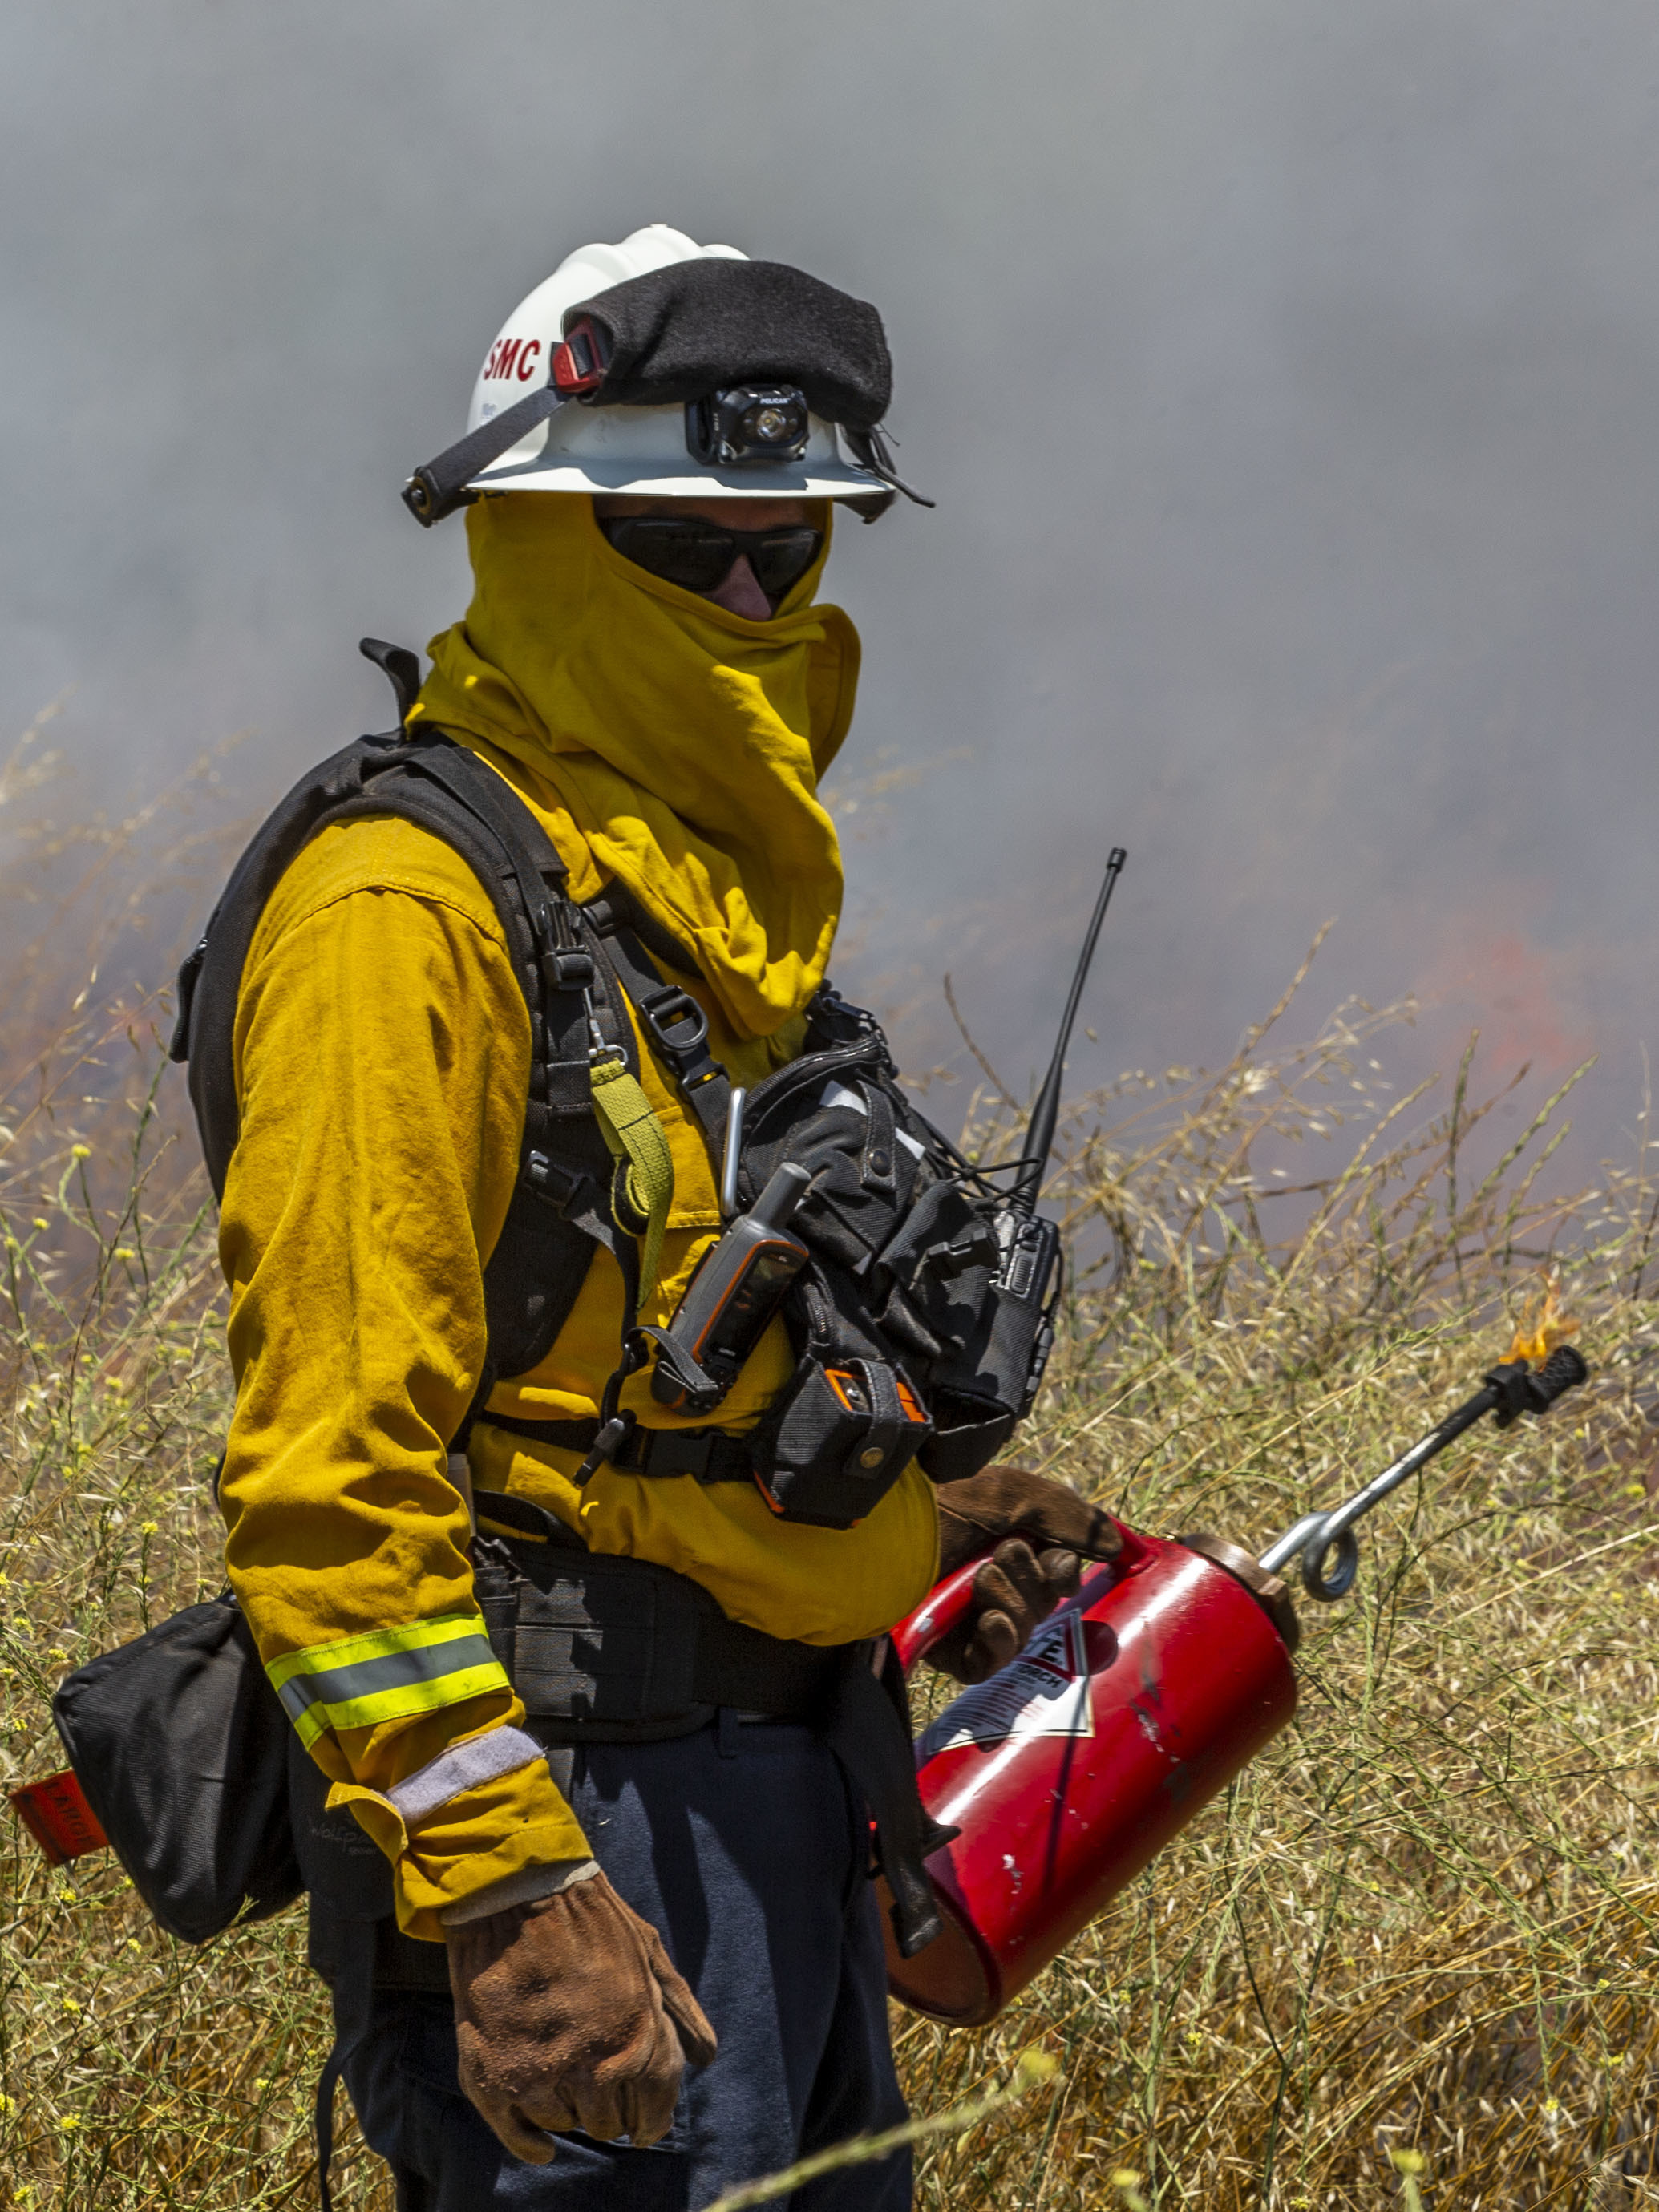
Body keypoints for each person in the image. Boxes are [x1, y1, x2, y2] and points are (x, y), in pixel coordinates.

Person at [207, 225, 1115, 2210]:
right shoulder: (403, 912)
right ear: (527, 537)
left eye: (787, 549)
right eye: (685, 538)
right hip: (575, 1825)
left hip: (791, 1804)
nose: (743, 590)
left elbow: (604, 1389)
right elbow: (320, 1483)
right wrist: (508, 1889)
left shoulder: (683, 920)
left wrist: (921, 1523)